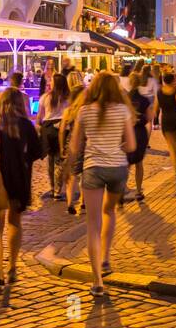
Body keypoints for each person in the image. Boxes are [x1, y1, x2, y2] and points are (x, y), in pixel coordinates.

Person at [70, 71, 137, 296]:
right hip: (118, 169)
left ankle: (97, 279)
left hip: (93, 168)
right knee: (109, 212)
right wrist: (117, 145)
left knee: (93, 224)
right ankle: (106, 257)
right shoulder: (123, 111)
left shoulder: (84, 111)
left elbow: (74, 146)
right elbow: (131, 146)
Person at [0, 83, 42, 287]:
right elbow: (39, 152)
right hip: (20, 179)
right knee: (15, 223)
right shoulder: (26, 125)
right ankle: (13, 266)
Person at [56, 71, 87, 214]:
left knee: (72, 174)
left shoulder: (69, 110)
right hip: (86, 141)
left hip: (72, 142)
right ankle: (84, 201)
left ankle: (69, 203)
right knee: (85, 173)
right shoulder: (86, 109)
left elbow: (62, 130)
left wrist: (62, 146)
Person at [35, 73, 69, 200]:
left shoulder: (45, 97)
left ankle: (52, 186)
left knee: (50, 160)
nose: (49, 82)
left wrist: (37, 126)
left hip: (48, 128)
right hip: (62, 128)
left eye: (52, 81)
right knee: (59, 160)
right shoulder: (67, 98)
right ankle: (57, 191)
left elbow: (39, 115)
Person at [153, 71, 176, 182]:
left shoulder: (159, 92)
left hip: (166, 120)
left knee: (171, 146)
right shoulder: (175, 91)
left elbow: (156, 108)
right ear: (173, 80)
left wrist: (155, 120)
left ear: (164, 80)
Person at [126, 68, 152, 202]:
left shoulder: (125, 99)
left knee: (126, 163)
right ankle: (138, 190)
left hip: (127, 132)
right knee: (139, 163)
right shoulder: (144, 99)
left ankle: (121, 190)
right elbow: (149, 117)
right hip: (140, 132)